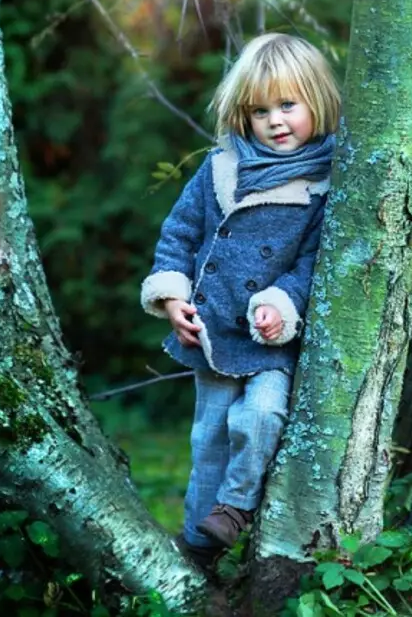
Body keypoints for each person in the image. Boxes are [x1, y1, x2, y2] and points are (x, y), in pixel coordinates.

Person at [139, 32, 339, 568]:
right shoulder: (221, 168)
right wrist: (171, 297)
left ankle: (236, 508)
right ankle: (198, 545)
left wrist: (280, 304)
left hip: (270, 337)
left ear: (317, 101)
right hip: (211, 331)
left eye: (288, 105)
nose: (275, 121)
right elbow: (179, 233)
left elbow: (313, 263)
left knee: (261, 415)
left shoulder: (326, 183)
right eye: (259, 110)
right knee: (210, 438)